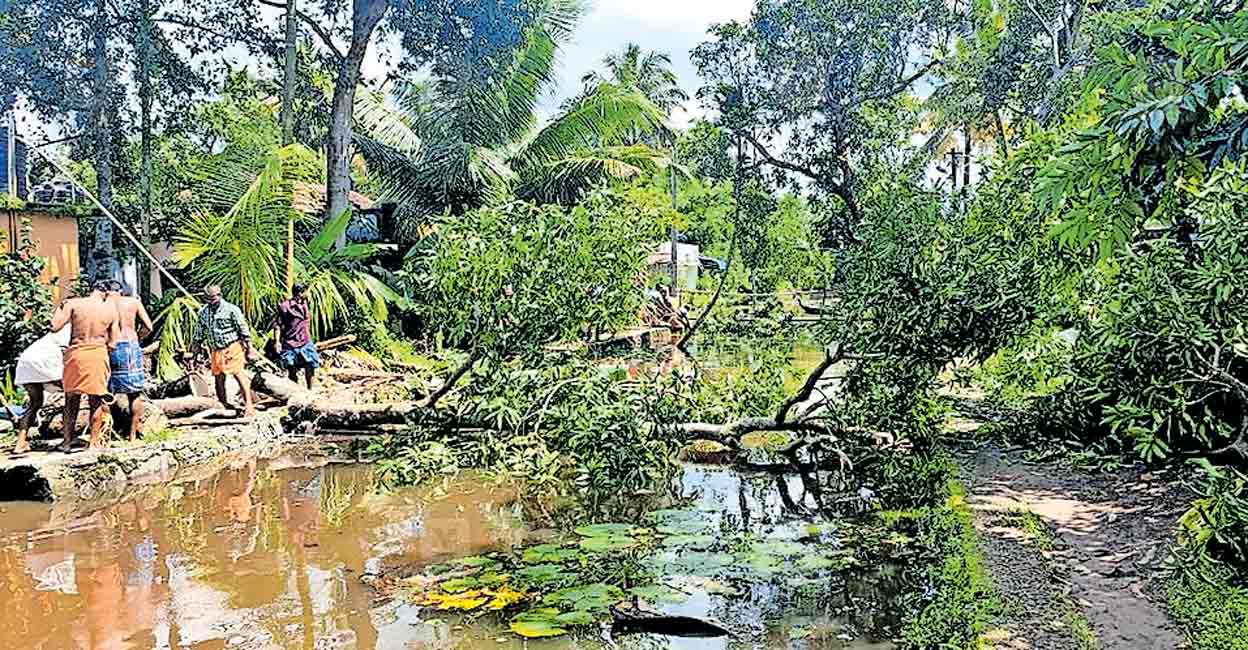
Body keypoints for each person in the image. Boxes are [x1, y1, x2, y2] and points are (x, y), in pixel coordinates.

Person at [51, 280, 121, 451]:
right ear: (105, 293)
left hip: (76, 353)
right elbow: (114, 343)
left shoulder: (73, 304)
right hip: (97, 353)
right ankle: (94, 443)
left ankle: (66, 442)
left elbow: (54, 327)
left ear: (91, 290)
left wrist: (60, 307)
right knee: (95, 400)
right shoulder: (111, 309)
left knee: (71, 400)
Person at [187, 285, 257, 416]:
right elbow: (198, 336)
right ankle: (223, 403)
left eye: (213, 299)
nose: (211, 302)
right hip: (216, 350)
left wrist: (250, 349)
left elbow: (243, 330)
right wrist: (194, 355)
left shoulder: (231, 310)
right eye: (208, 299)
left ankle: (248, 404)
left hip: (231, 347)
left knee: (238, 374)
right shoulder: (203, 313)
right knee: (218, 378)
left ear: (219, 295)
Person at [10, 325, 71, 454]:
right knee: (71, 398)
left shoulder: (57, 330)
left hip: (26, 362)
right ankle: (67, 440)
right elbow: (65, 350)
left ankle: (20, 444)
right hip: (46, 362)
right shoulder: (72, 328)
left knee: (35, 403)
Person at [106, 280, 154, 442]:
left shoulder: (105, 304)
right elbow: (149, 326)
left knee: (107, 392)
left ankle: (108, 433)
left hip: (112, 345)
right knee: (134, 394)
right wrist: (138, 337)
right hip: (131, 346)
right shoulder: (133, 302)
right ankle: (132, 435)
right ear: (121, 291)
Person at [271, 282, 321, 390]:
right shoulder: (285, 307)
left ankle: (310, 390)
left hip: (304, 341)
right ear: (300, 293)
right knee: (291, 368)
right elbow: (277, 325)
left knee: (310, 365)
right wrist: (277, 342)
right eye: (305, 292)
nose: (307, 294)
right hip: (290, 342)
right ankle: (296, 390)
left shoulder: (305, 304)